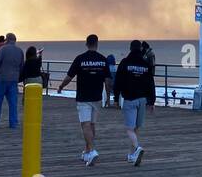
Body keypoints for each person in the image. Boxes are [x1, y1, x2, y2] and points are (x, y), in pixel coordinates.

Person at [56, 34, 111, 166]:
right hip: (97, 96)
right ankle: (87, 151)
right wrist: (108, 97)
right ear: (97, 44)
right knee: (91, 124)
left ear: (86, 44)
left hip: (84, 97)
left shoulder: (80, 59)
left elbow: (69, 77)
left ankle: (92, 151)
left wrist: (61, 86)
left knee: (85, 124)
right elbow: (108, 80)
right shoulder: (103, 60)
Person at [115, 40, 155, 164]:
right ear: (141, 49)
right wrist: (152, 101)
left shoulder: (125, 62)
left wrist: (116, 98)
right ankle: (131, 155)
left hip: (130, 99)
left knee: (129, 128)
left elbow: (118, 81)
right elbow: (150, 83)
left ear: (130, 48)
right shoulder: (145, 64)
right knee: (136, 128)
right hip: (142, 100)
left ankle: (137, 148)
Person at [0, 33, 24, 127]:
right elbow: (21, 66)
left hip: (2, 79)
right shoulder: (20, 51)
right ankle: (13, 123)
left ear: (6, 40)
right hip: (13, 80)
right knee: (13, 103)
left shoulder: (3, 49)